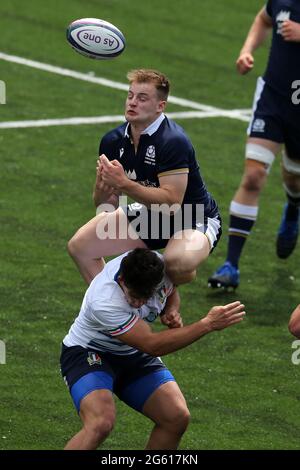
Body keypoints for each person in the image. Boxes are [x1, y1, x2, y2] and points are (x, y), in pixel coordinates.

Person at [60, 248, 245, 450]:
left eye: (146, 297)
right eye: (134, 296)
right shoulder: (104, 301)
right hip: (90, 352)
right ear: (121, 280)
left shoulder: (159, 268)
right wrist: (207, 324)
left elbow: (172, 290)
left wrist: (171, 309)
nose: (139, 303)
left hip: (131, 353)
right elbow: (152, 345)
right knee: (100, 424)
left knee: (176, 417)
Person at [68, 69, 221, 286]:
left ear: (160, 106)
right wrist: (103, 191)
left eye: (142, 98)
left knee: (176, 263)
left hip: (193, 216)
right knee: (80, 246)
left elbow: (172, 202)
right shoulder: (112, 141)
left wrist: (123, 183)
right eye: (130, 96)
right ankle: (121, 309)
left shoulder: (173, 141)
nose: (132, 103)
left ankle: (170, 288)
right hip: (152, 214)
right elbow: (108, 207)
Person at [208, 1, 300, 289]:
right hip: (273, 100)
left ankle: (294, 207)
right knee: (252, 176)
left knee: (295, 179)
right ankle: (230, 266)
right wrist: (246, 51)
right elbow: (263, 19)